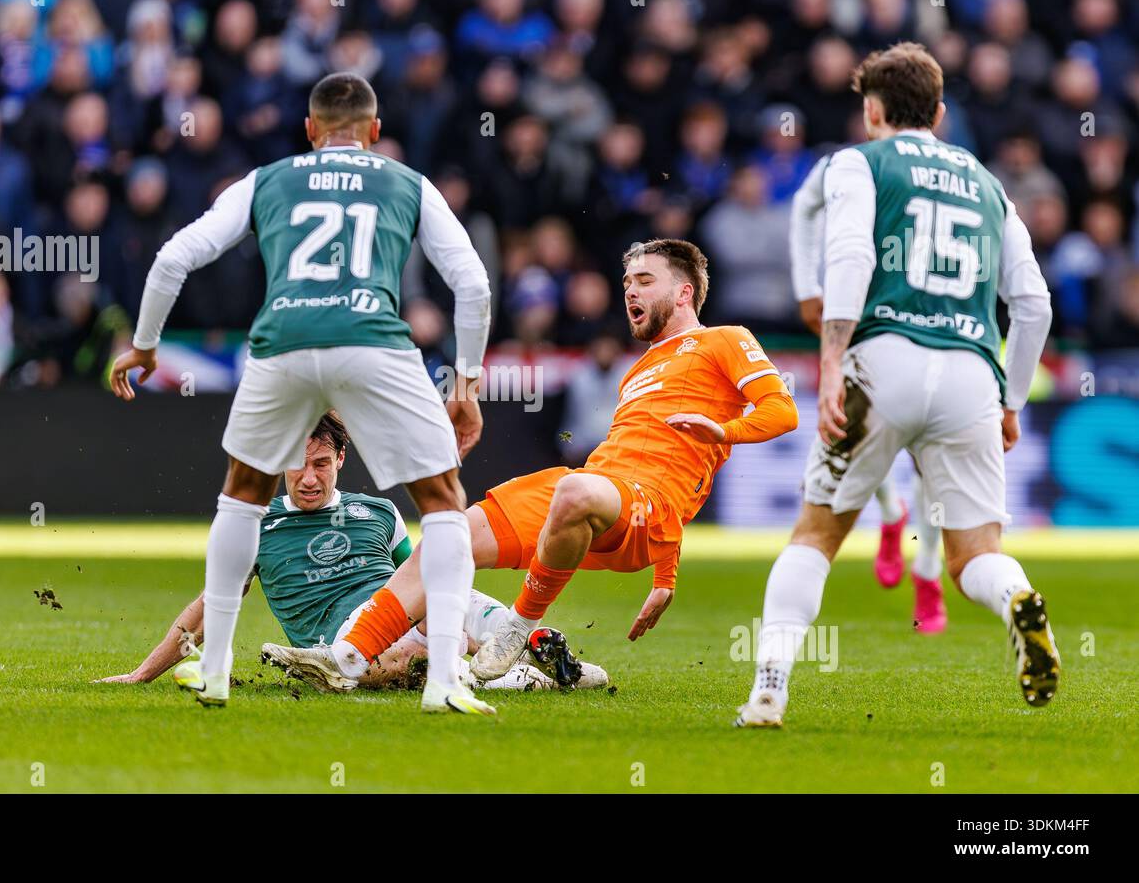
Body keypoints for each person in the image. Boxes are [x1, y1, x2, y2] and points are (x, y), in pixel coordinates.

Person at [108, 73, 495, 716]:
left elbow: (174, 257)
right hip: (374, 340)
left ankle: (215, 671)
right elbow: (474, 285)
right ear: (374, 133)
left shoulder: (268, 178)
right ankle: (445, 683)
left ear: (309, 131)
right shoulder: (409, 183)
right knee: (445, 505)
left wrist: (147, 344)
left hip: (282, 340)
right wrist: (468, 382)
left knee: (242, 497)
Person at [265, 238, 799, 690]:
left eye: (644, 280)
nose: (630, 290)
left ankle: (519, 628)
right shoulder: (640, 370)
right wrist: (667, 572)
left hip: (639, 507)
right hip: (600, 486)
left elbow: (783, 411)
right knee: (454, 533)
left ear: (684, 292)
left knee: (576, 493)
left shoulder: (726, 340)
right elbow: (668, 460)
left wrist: (724, 431)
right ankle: (348, 659)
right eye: (627, 281)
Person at [737, 43, 1058, 729]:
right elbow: (1034, 305)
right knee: (977, 554)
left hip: (883, 359)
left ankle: (768, 689)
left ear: (873, 111)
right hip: (971, 370)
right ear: (939, 113)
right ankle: (1021, 603)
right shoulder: (987, 182)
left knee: (816, 536)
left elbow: (850, 254)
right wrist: (1011, 401)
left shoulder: (860, 161)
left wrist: (828, 362)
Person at [96, 413, 608, 693]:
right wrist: (144, 673)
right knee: (412, 654)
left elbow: (421, 576)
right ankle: (507, 674)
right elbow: (208, 608)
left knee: (452, 594)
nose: (309, 477)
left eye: (321, 463)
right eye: (296, 466)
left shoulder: (379, 512)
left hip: (403, 615)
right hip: (345, 639)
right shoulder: (255, 526)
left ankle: (539, 652)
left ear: (341, 458)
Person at [790, 148, 947, 633]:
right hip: (860, 319)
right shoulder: (850, 164)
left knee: (930, 465)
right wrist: (806, 288)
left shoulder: (944, 170)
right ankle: (890, 512)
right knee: (855, 430)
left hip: (925, 321)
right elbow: (804, 207)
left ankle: (927, 576)